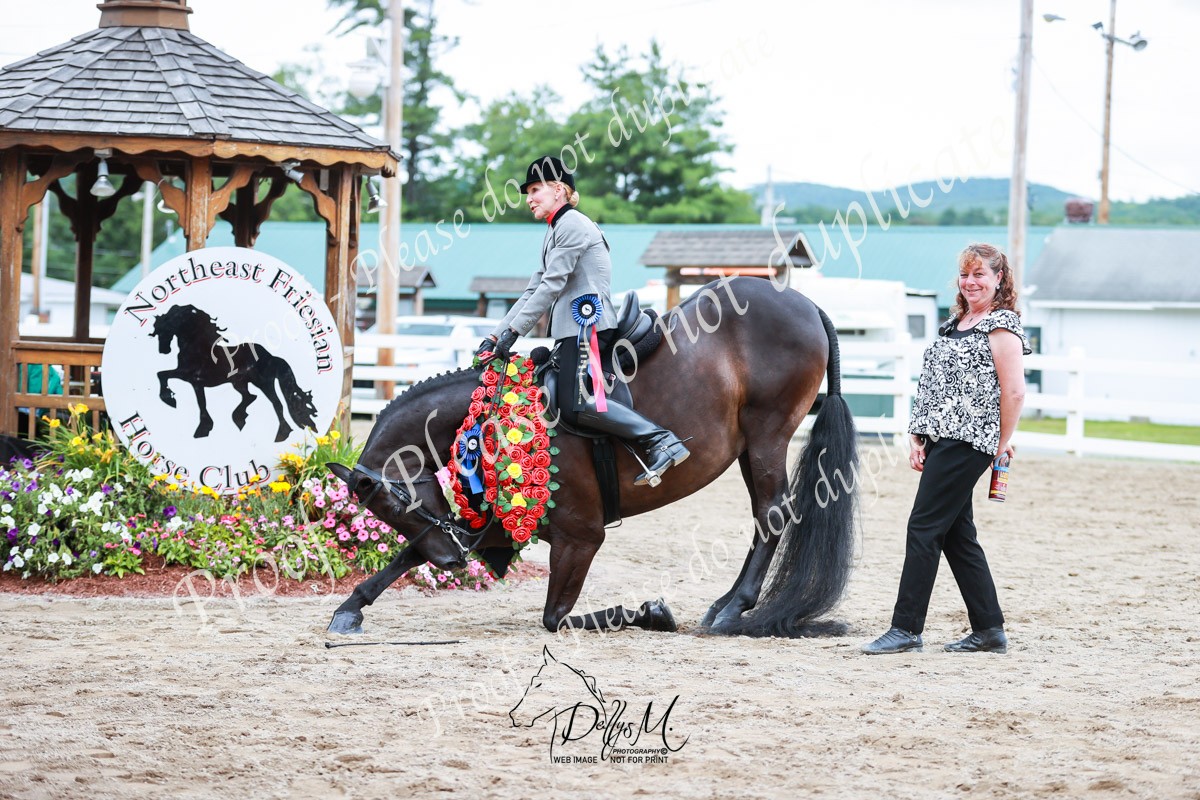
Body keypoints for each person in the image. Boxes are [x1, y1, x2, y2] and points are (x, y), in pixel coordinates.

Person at [474, 155, 689, 487]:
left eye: (534, 190)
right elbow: (534, 286)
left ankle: (660, 440)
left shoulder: (572, 224)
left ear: (559, 189)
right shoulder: (555, 229)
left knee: (577, 403)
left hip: (587, 326)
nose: (528, 199)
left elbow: (552, 284)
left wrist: (515, 333)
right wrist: (497, 334)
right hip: (572, 329)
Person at [862, 243, 1030, 655]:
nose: (971, 282)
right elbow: (933, 385)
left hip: (972, 439)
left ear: (999, 280)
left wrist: (1001, 442)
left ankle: (905, 629)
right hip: (941, 437)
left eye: (980, 275)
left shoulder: (1001, 325)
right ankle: (989, 630)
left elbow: (1014, 391)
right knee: (957, 535)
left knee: (923, 526)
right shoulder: (955, 322)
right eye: (965, 274)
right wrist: (919, 433)